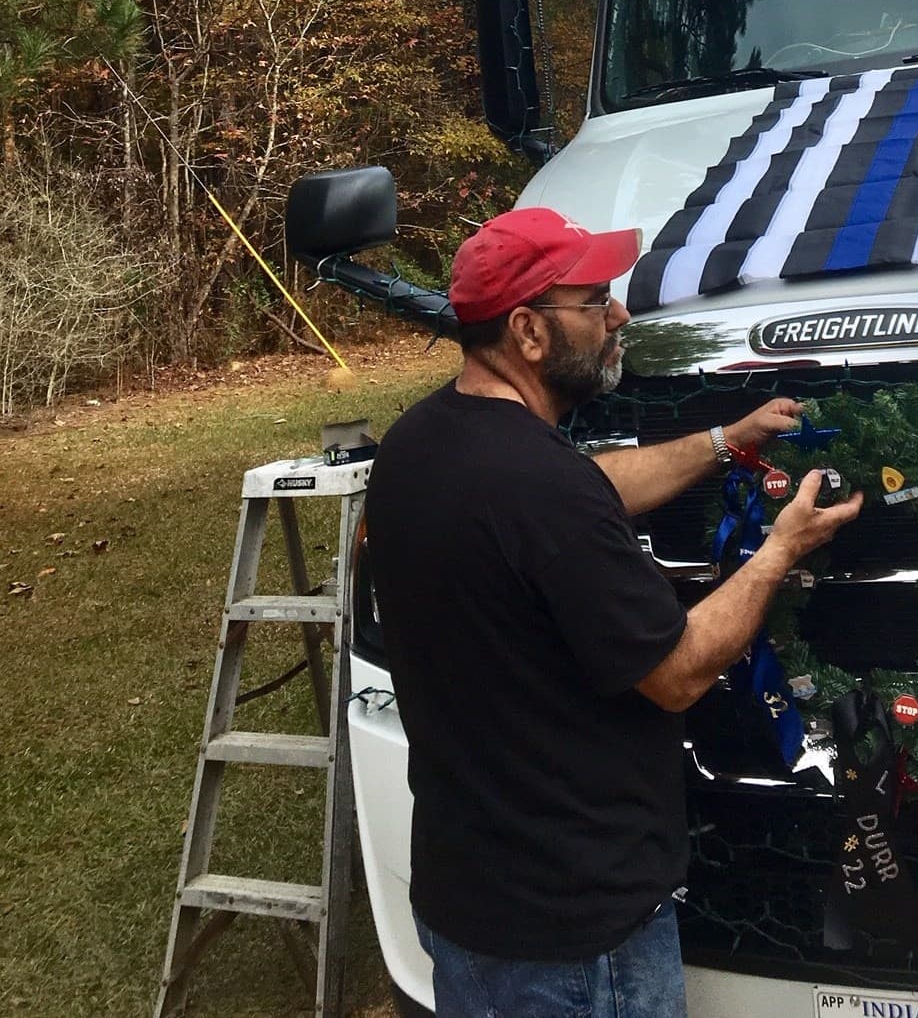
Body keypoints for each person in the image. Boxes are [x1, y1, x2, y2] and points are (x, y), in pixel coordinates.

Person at [366, 206, 863, 1018]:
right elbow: (677, 672)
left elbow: (588, 491)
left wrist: (725, 442)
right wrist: (780, 549)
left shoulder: (422, 444)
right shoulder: (538, 487)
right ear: (528, 331)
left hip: (475, 898)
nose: (619, 316)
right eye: (596, 301)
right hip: (576, 942)